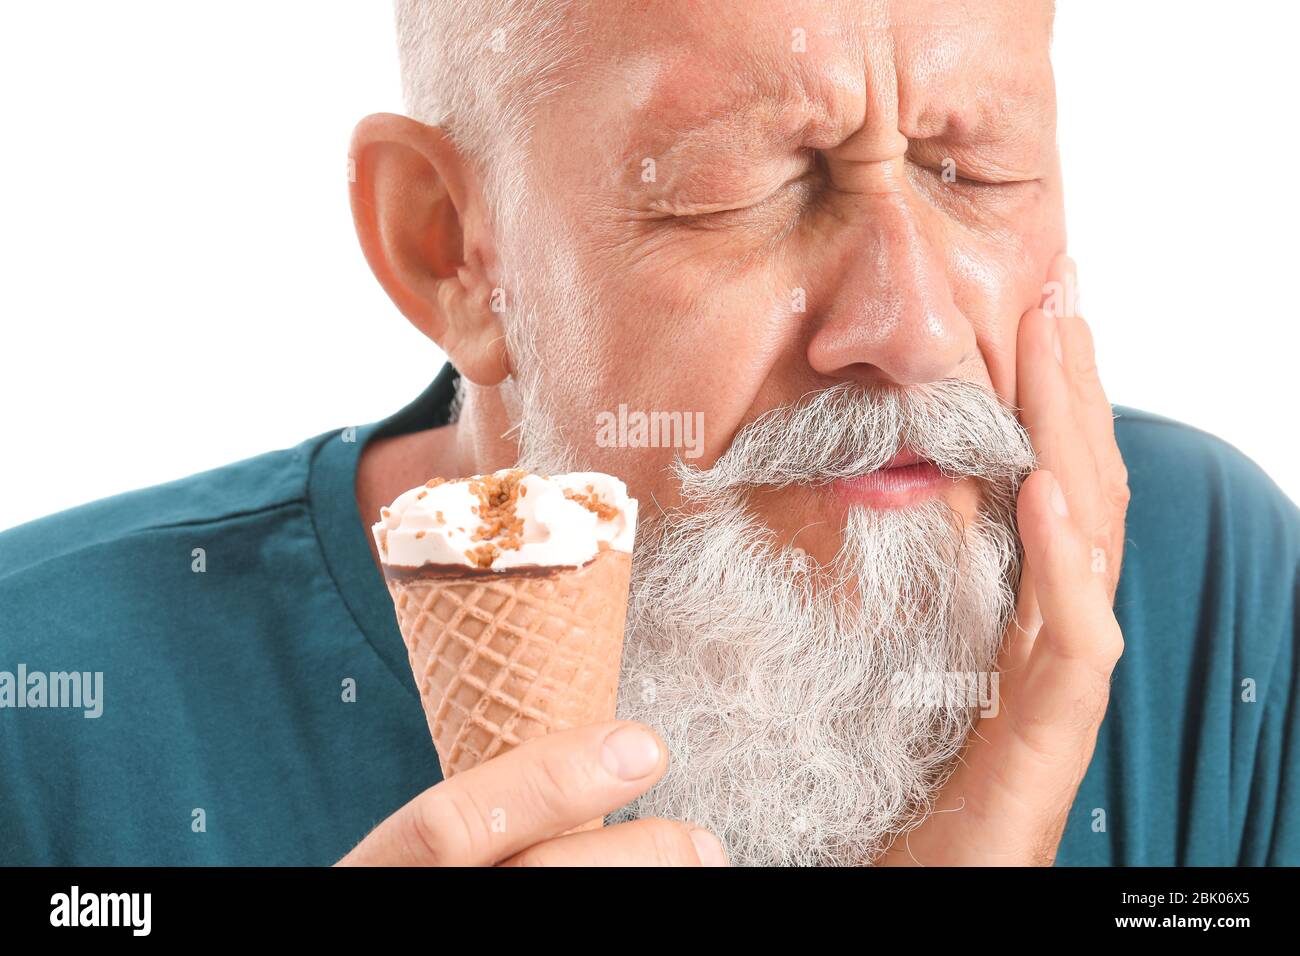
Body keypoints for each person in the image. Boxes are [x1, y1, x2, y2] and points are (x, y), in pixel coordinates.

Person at [1, 0, 1296, 867]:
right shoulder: (43, 728)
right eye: (746, 187)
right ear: (450, 248)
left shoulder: (1213, 601)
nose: (915, 331)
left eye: (975, 170)